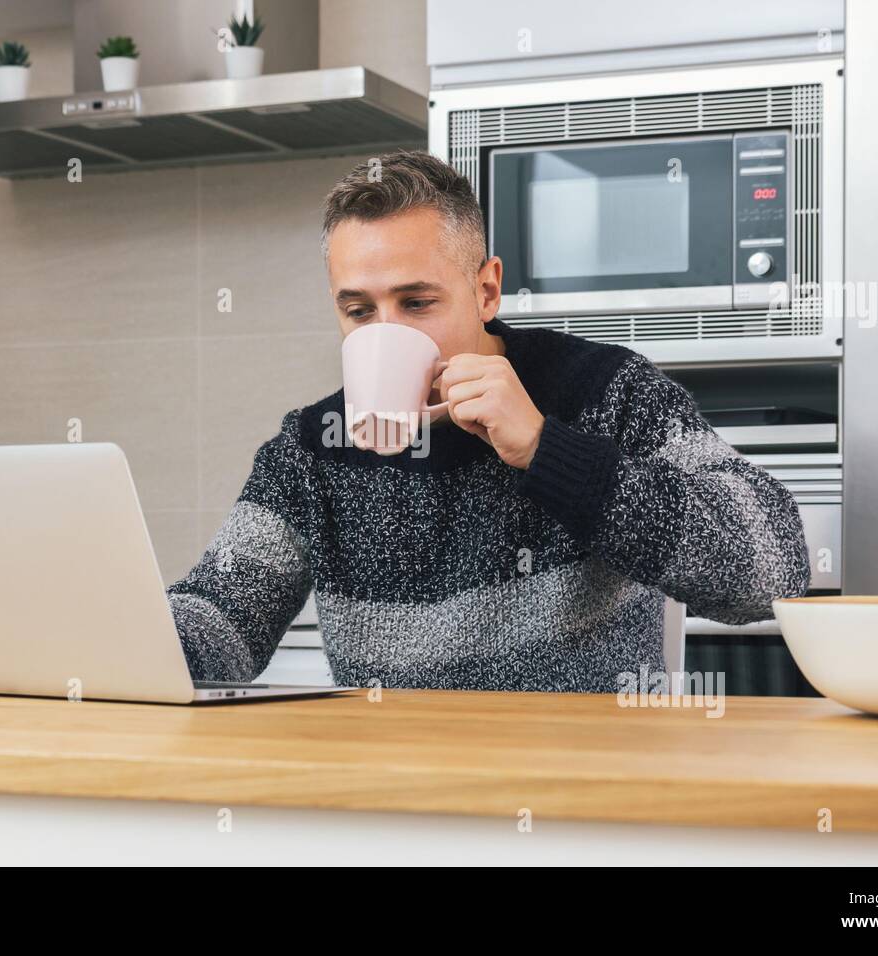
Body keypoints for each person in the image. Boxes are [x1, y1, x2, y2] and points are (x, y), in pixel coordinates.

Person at [166, 150, 809, 692]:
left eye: (417, 302)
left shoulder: (606, 393)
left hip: (589, 796)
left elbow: (770, 571)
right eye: (359, 312)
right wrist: (114, 637)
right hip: (404, 802)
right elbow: (221, 620)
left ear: (487, 291)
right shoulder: (312, 449)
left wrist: (546, 451)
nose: (386, 332)